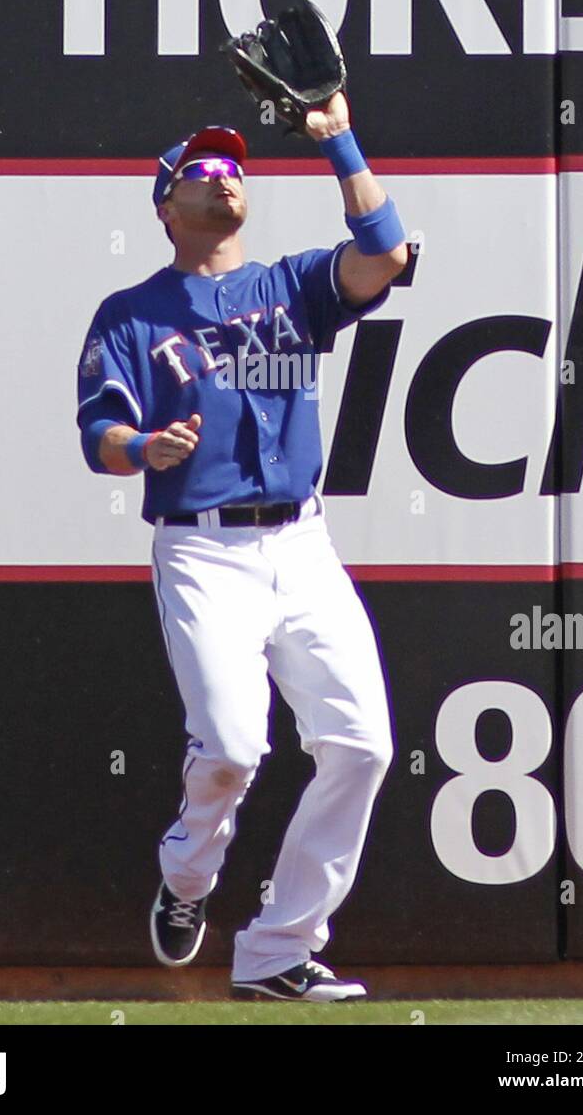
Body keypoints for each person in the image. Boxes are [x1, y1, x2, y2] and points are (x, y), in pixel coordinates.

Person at [76, 91, 408, 1001]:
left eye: (234, 167)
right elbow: (99, 435)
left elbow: (383, 253)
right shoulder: (131, 314)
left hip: (301, 543)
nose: (223, 176)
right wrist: (143, 448)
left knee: (363, 746)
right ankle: (188, 878)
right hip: (202, 549)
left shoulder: (290, 286)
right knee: (230, 747)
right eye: (200, 169)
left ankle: (276, 950)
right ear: (165, 207)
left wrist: (340, 136)